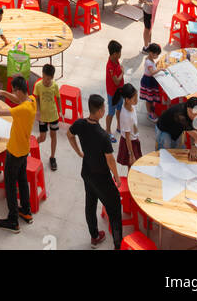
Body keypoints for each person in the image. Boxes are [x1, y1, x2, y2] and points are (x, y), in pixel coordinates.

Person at [66, 94, 123, 248]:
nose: (104, 110)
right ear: (99, 111)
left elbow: (69, 134)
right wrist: (117, 178)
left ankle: (95, 236)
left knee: (90, 205)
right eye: (104, 108)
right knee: (115, 210)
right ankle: (118, 245)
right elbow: (110, 160)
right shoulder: (103, 135)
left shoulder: (79, 124)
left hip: (87, 173)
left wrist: (79, 152)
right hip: (102, 178)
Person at [0, 76, 37, 232]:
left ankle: (13, 220)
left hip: (14, 151)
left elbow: (2, 111)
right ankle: (26, 211)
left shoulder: (22, 109)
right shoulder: (31, 101)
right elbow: (17, 99)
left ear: (18, 90)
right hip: (24, 150)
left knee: (9, 185)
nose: (13, 93)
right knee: (22, 181)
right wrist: (3, 92)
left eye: (13, 90)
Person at [34, 63, 62, 171]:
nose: (45, 81)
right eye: (44, 78)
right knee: (42, 137)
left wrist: (60, 112)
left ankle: (52, 157)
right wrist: (37, 110)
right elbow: (36, 98)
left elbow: (58, 98)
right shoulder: (38, 85)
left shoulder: (54, 85)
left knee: (53, 136)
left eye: (48, 79)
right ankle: (34, 148)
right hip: (43, 117)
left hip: (53, 115)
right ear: (42, 75)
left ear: (52, 77)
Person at [116, 83, 142, 170]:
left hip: (134, 139)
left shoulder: (132, 107)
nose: (136, 99)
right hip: (129, 143)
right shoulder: (125, 115)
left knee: (135, 165)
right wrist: (131, 154)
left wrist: (136, 134)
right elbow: (127, 137)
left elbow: (134, 123)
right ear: (127, 100)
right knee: (131, 166)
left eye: (136, 96)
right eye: (134, 98)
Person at [104, 40, 124, 139]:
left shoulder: (116, 60)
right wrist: (122, 73)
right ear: (115, 54)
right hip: (113, 93)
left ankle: (119, 125)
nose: (121, 54)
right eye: (120, 52)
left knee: (119, 109)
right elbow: (116, 81)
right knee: (111, 113)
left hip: (120, 91)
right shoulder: (110, 67)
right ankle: (107, 129)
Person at [139, 43, 161, 120]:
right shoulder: (148, 62)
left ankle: (151, 108)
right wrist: (159, 69)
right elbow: (152, 72)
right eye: (156, 55)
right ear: (151, 53)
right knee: (148, 99)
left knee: (150, 97)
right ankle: (150, 113)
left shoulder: (150, 59)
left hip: (151, 80)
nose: (157, 56)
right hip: (148, 81)